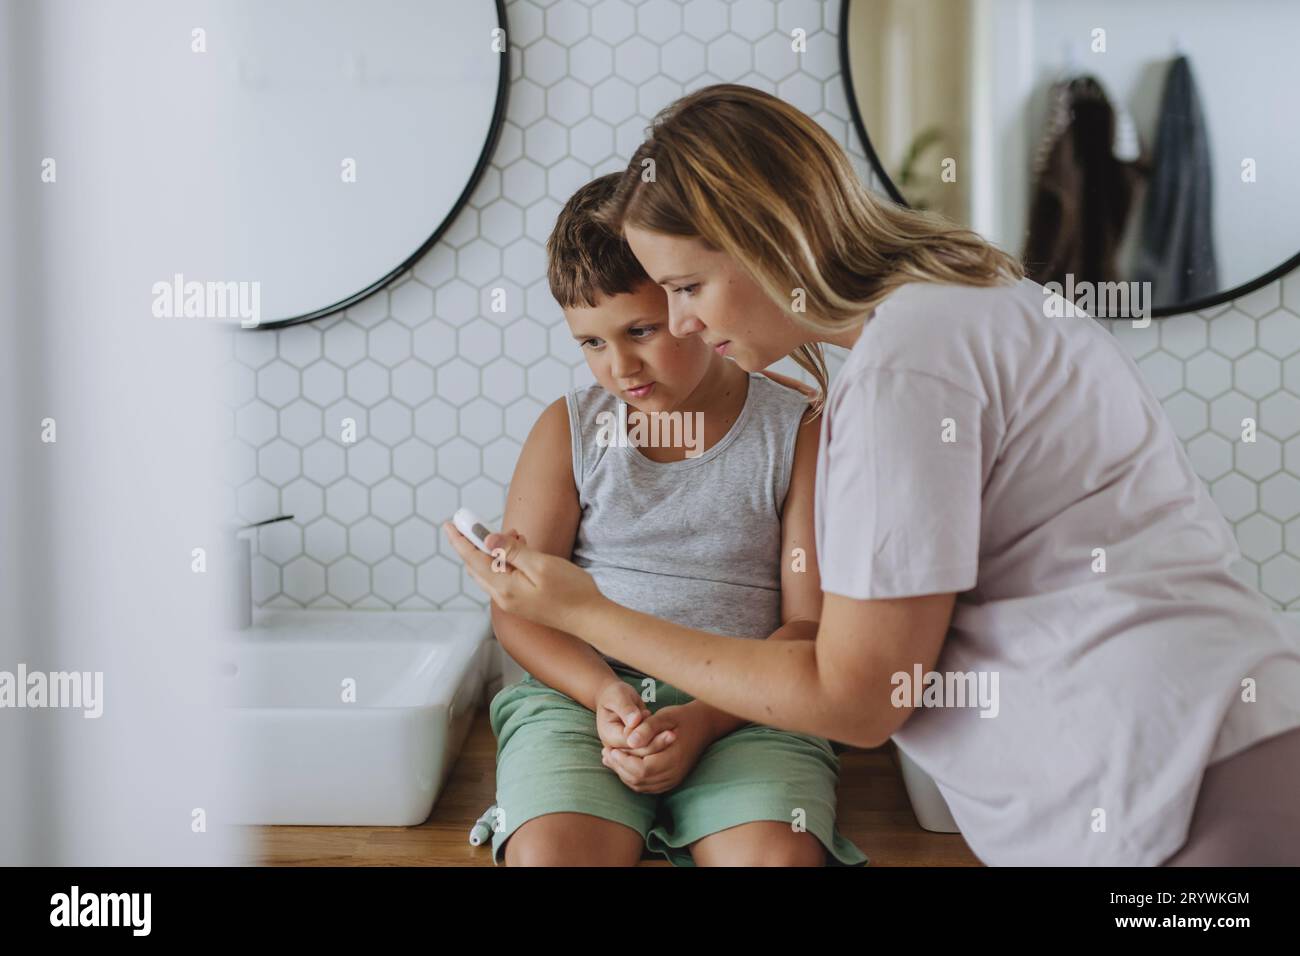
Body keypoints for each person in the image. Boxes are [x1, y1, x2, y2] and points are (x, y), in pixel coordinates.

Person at [446, 85, 1300, 866]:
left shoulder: (906, 366)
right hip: (1193, 756)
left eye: (687, 285)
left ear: (766, 236)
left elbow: (856, 699)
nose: (681, 322)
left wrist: (583, 611)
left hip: (1172, 787)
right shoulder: (966, 305)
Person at [484, 172, 867, 866]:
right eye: (591, 343)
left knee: (775, 860)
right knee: (550, 856)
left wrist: (704, 718)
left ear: (693, 302)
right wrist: (606, 695)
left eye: (641, 330)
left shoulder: (798, 426)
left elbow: (808, 626)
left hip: (753, 705)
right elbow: (519, 611)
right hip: (583, 703)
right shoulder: (567, 430)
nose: (620, 366)